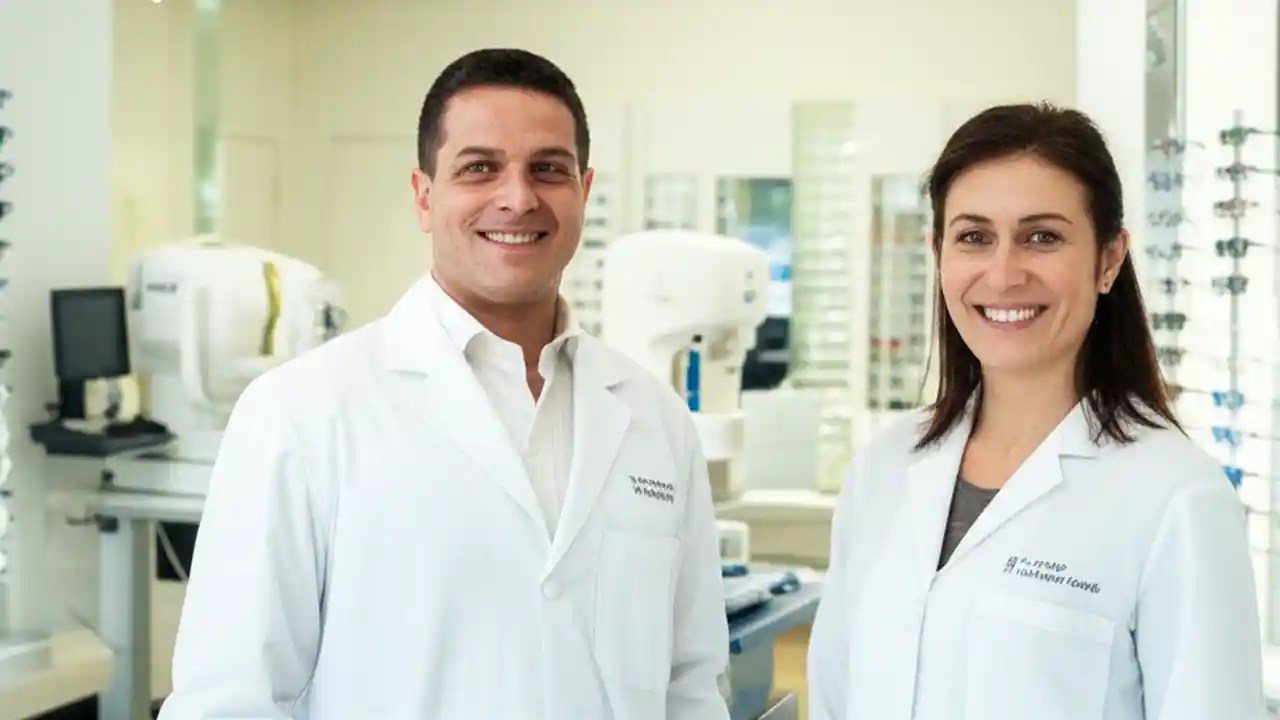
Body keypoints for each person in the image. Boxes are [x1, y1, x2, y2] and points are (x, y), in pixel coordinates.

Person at [161, 48, 730, 719]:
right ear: (425, 195)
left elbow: (691, 684)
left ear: (583, 191)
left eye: (549, 169)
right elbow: (230, 701)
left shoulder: (654, 418)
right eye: (479, 168)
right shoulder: (302, 413)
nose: (518, 198)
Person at [808, 103, 1265, 719]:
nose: (1002, 275)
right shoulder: (884, 470)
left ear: (1109, 260)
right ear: (938, 255)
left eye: (1041, 237)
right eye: (973, 237)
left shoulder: (1177, 497)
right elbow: (837, 696)